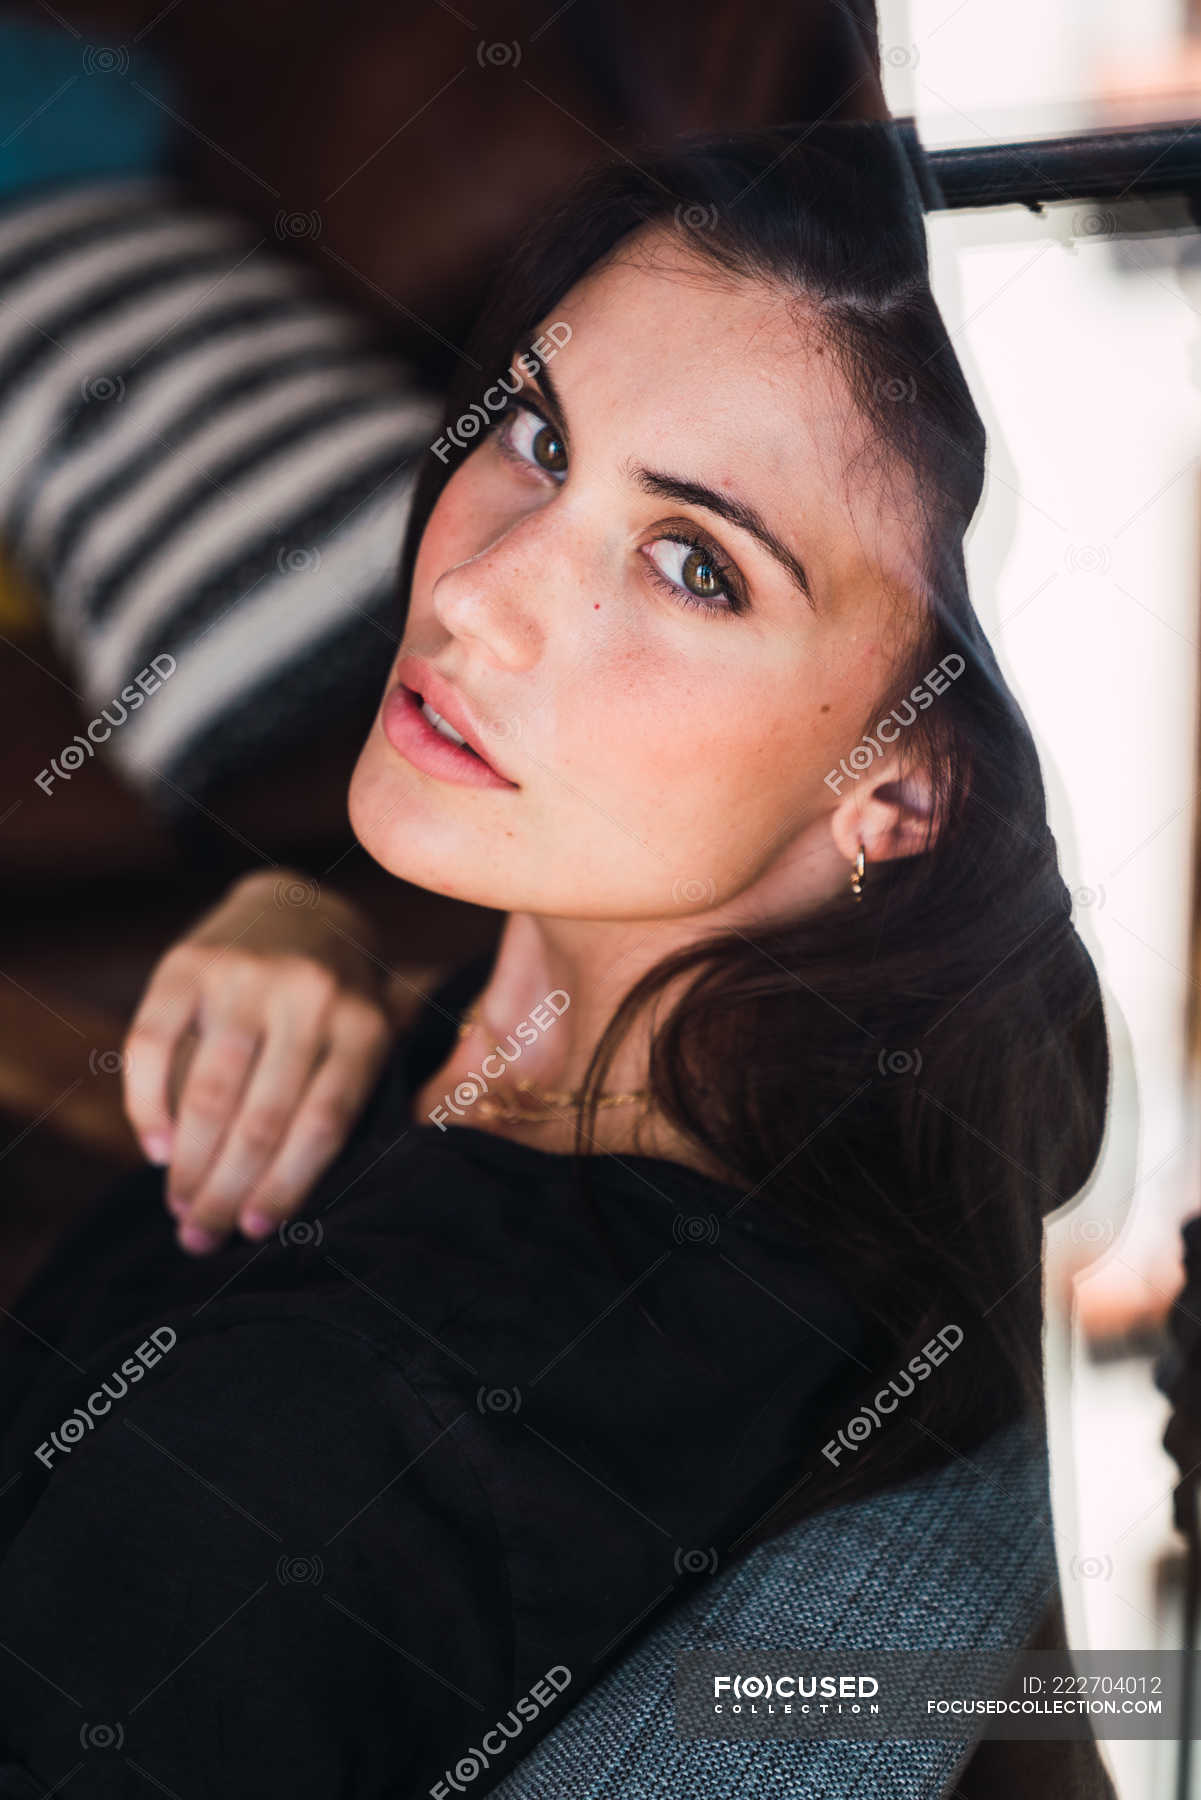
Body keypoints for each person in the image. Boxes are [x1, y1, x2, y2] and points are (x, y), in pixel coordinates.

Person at [0, 120, 1113, 1797]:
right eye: (536, 434)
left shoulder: (339, 1437)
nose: (476, 593)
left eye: (694, 566)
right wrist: (308, 922)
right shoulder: (711, 1115)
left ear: (906, 787)